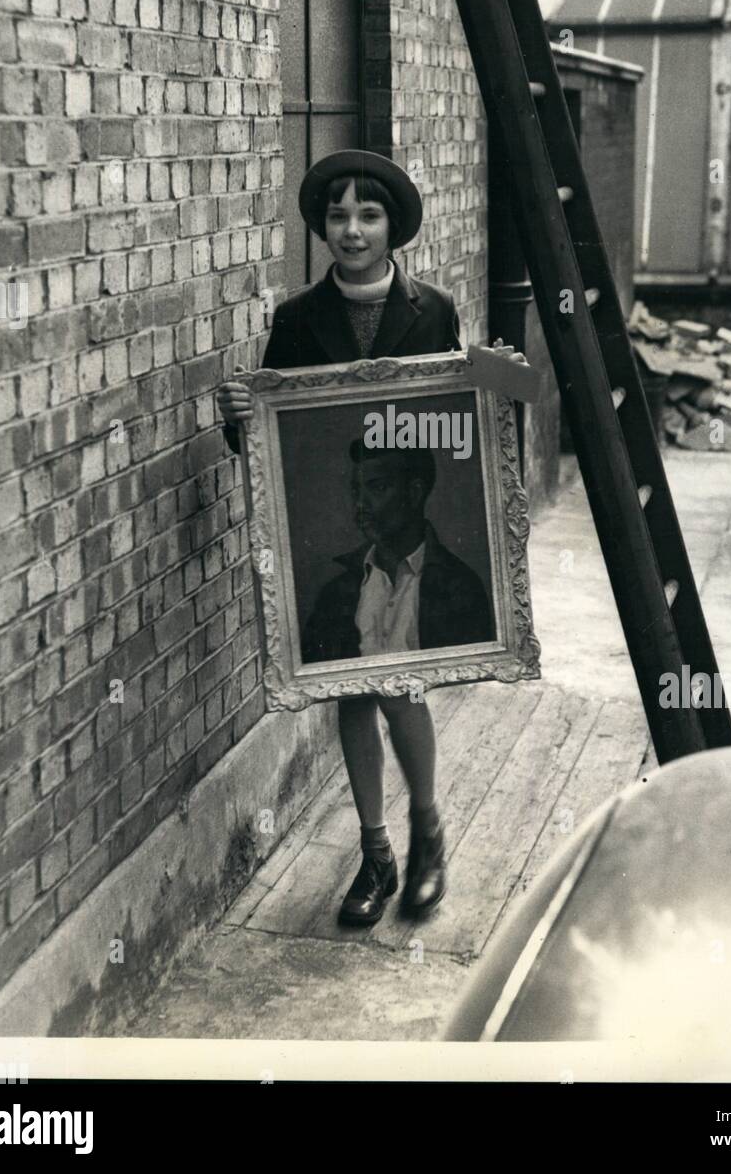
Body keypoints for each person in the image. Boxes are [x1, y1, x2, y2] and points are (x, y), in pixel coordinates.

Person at [217, 149, 524, 927]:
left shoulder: (435, 309)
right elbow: (271, 447)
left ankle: (427, 834)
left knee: (397, 686)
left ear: (392, 227)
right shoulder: (295, 320)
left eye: (368, 215)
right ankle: (375, 852)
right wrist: (237, 415)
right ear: (320, 227)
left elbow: (457, 419)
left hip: (408, 528)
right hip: (338, 532)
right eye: (336, 216)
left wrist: (499, 380)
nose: (350, 230)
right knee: (346, 691)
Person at [301, 441, 495, 664]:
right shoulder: (335, 594)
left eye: (378, 488)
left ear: (414, 493)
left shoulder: (459, 586)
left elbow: (469, 683)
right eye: (356, 491)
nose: (360, 505)